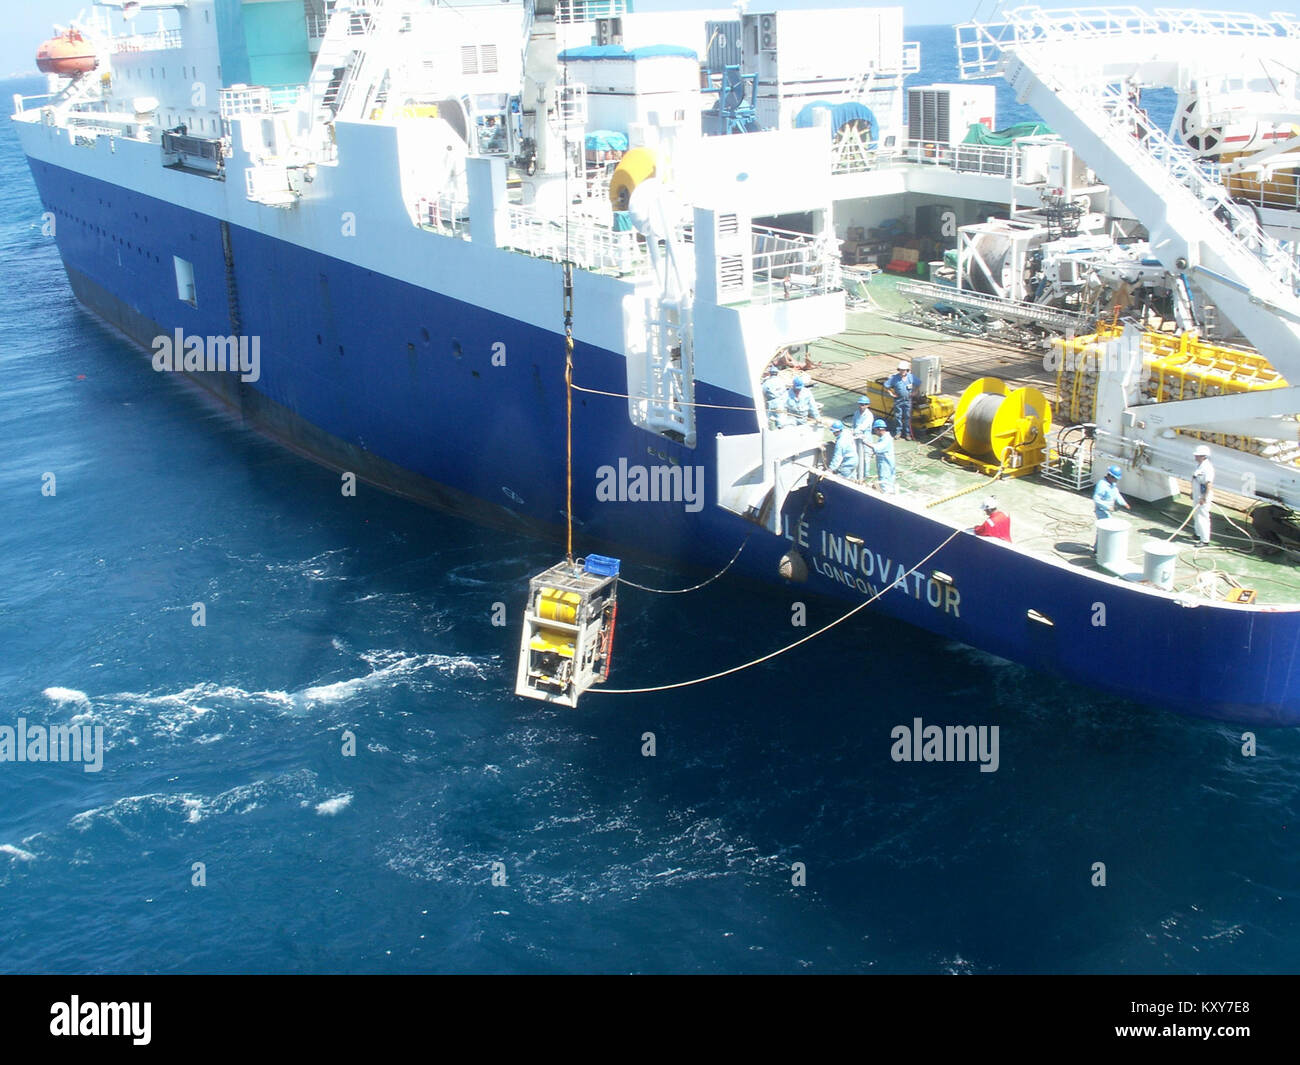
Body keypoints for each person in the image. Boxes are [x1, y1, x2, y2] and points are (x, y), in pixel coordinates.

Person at [1093, 464, 1130, 547]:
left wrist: (1124, 503)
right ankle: (1099, 549)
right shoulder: (1102, 485)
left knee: (1104, 529)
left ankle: (1099, 548)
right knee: (1104, 529)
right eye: (1116, 479)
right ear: (1110, 476)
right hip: (1101, 511)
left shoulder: (1112, 484)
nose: (1117, 480)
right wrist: (1107, 507)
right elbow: (1096, 499)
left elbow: (1116, 494)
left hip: (1108, 510)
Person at [885, 360, 917, 440]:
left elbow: (918, 383)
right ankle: (898, 432)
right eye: (901, 370)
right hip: (898, 401)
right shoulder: (895, 378)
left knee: (907, 417)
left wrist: (915, 392)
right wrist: (891, 393)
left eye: (904, 370)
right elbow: (886, 385)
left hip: (908, 401)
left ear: (907, 370)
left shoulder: (911, 377)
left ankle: (907, 434)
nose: (902, 371)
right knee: (898, 417)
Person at [1191, 444, 1215, 546]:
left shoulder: (1207, 468)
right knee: (1196, 515)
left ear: (1203, 456)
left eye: (1197, 455)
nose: (1195, 457)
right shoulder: (1200, 466)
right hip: (1197, 495)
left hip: (1203, 496)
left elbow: (1208, 484)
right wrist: (1192, 492)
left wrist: (1204, 497)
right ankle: (1197, 534)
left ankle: (1205, 540)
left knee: (1203, 517)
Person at [866, 418, 896, 492]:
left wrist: (864, 442)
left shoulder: (886, 439)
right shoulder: (883, 438)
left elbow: (877, 447)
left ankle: (887, 497)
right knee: (888, 481)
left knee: (884, 482)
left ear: (879, 429)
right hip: (886, 464)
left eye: (875, 430)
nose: (875, 432)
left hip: (885, 465)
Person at [852, 396, 873, 482]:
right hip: (857, 438)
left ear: (867, 405)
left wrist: (854, 431)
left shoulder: (869, 415)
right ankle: (857, 473)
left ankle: (865, 476)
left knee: (866, 457)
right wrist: (853, 431)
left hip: (866, 438)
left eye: (864, 405)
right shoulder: (856, 413)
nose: (862, 406)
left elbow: (863, 427)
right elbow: (854, 424)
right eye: (860, 404)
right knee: (857, 455)